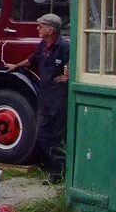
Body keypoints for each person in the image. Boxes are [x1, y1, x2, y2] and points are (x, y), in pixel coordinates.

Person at [5, 13, 69, 184]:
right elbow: (32, 60)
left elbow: (74, 65)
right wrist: (16, 67)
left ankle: (60, 173)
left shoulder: (64, 47)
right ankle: (57, 169)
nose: (37, 29)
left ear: (50, 29)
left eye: (41, 26)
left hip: (59, 98)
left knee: (58, 135)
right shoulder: (43, 45)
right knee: (42, 135)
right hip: (45, 97)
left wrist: (68, 77)